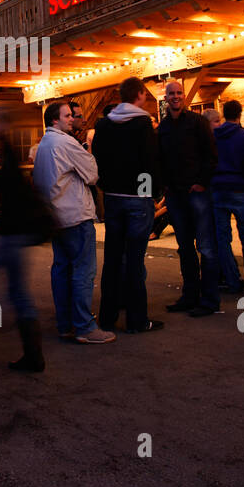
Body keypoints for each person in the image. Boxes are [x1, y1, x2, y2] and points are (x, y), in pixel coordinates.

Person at [33, 100, 112, 343]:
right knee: (82, 272)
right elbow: (92, 174)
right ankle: (85, 327)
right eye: (67, 116)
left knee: (62, 271)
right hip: (75, 215)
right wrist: (88, 153)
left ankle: (65, 323)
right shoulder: (65, 142)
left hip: (55, 217)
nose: (72, 119)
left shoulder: (44, 144)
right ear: (55, 120)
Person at [92, 78, 165, 333]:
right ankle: (136, 320)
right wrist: (150, 194)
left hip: (112, 197)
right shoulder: (143, 123)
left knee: (112, 259)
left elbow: (97, 157)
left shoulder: (104, 125)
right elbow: (150, 161)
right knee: (134, 261)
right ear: (141, 95)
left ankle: (108, 317)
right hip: (137, 200)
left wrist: (107, 186)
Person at [157, 80, 220, 315]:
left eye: (179, 93)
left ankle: (210, 300)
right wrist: (165, 188)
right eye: (171, 93)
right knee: (185, 248)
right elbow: (161, 159)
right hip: (176, 195)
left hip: (197, 194)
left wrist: (202, 183)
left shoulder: (197, 122)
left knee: (206, 246)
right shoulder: (163, 128)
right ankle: (190, 295)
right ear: (166, 98)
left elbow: (211, 155)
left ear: (184, 96)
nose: (175, 96)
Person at [0, 128, 52, 371]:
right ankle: (33, 354)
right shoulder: (14, 168)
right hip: (15, 236)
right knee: (18, 293)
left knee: (17, 294)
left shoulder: (9, 169)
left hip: (11, 236)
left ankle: (34, 356)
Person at [209, 99, 244, 290]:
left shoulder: (214, 136)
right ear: (240, 114)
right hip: (240, 190)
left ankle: (232, 280)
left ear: (223, 114)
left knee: (223, 239)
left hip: (219, 190)